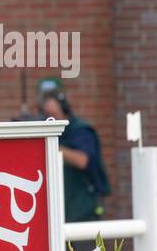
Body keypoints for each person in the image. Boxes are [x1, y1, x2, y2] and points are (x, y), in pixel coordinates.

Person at [37, 78, 108, 223]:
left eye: (52, 102)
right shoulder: (43, 128)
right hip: (57, 210)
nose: (49, 113)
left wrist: (52, 146)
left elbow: (82, 160)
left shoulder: (80, 130)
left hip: (82, 210)